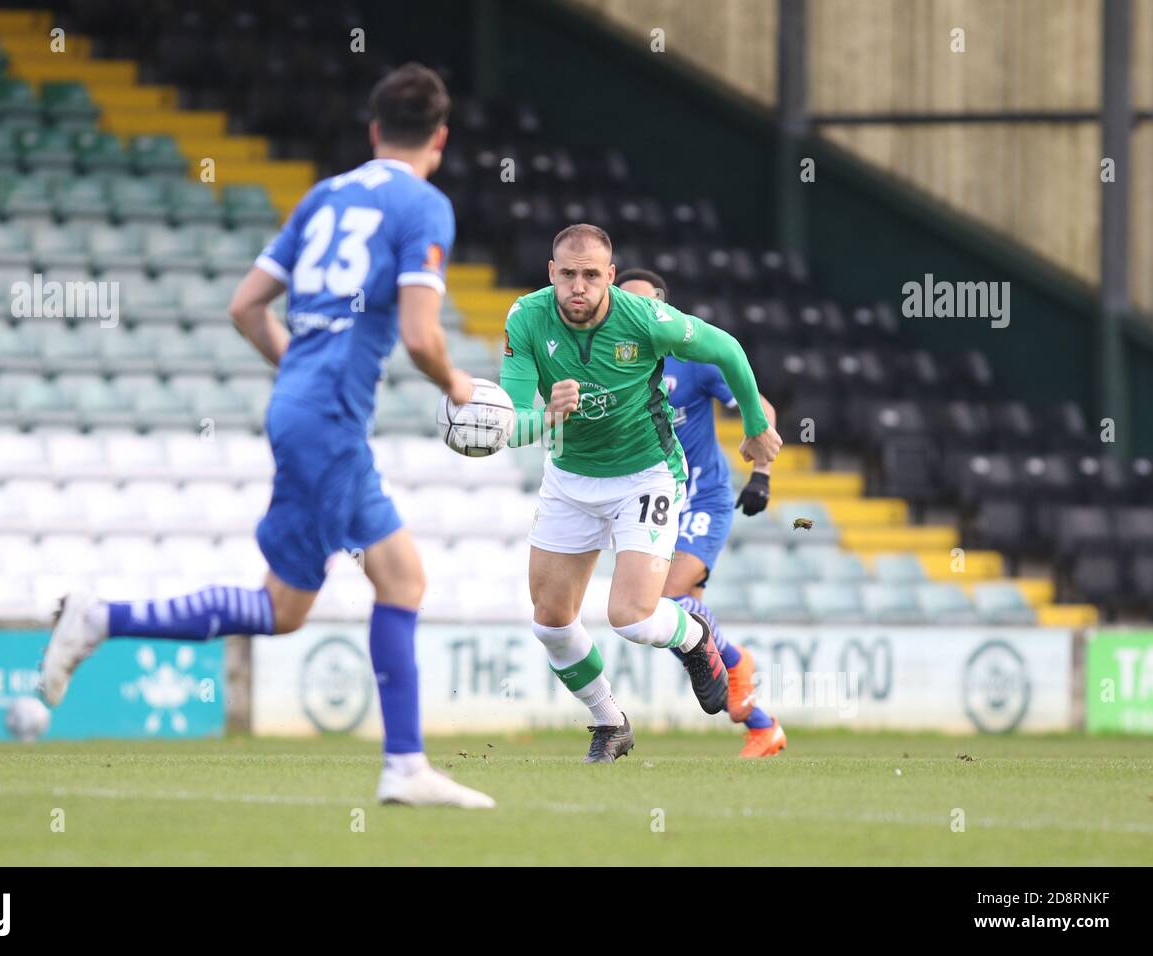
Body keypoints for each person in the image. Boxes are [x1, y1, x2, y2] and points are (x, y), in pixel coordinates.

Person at [39, 63, 494, 809]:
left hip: (300, 408)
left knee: (322, 598)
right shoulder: (424, 206)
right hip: (330, 417)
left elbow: (245, 306)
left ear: (374, 129)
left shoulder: (324, 196)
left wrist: (301, 374)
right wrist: (457, 384)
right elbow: (420, 335)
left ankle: (101, 619)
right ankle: (404, 765)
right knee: (373, 587)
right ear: (439, 139)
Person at [499, 224, 782, 762]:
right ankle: (611, 722)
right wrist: (547, 416)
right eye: (567, 274)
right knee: (550, 622)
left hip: (646, 474)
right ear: (551, 273)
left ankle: (695, 637)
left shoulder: (647, 318)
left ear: (609, 276)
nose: (578, 286)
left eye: (590, 275)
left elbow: (727, 348)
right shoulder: (526, 318)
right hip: (569, 479)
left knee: (630, 616)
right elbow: (513, 423)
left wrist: (754, 425)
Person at [616, 268, 786, 758]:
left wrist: (761, 475)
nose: (635, 314)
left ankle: (737, 664)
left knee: (660, 599)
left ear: (664, 308)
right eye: (624, 304)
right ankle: (761, 725)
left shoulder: (694, 358)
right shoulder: (613, 361)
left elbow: (761, 409)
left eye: (645, 304)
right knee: (675, 628)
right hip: (650, 503)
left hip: (700, 499)